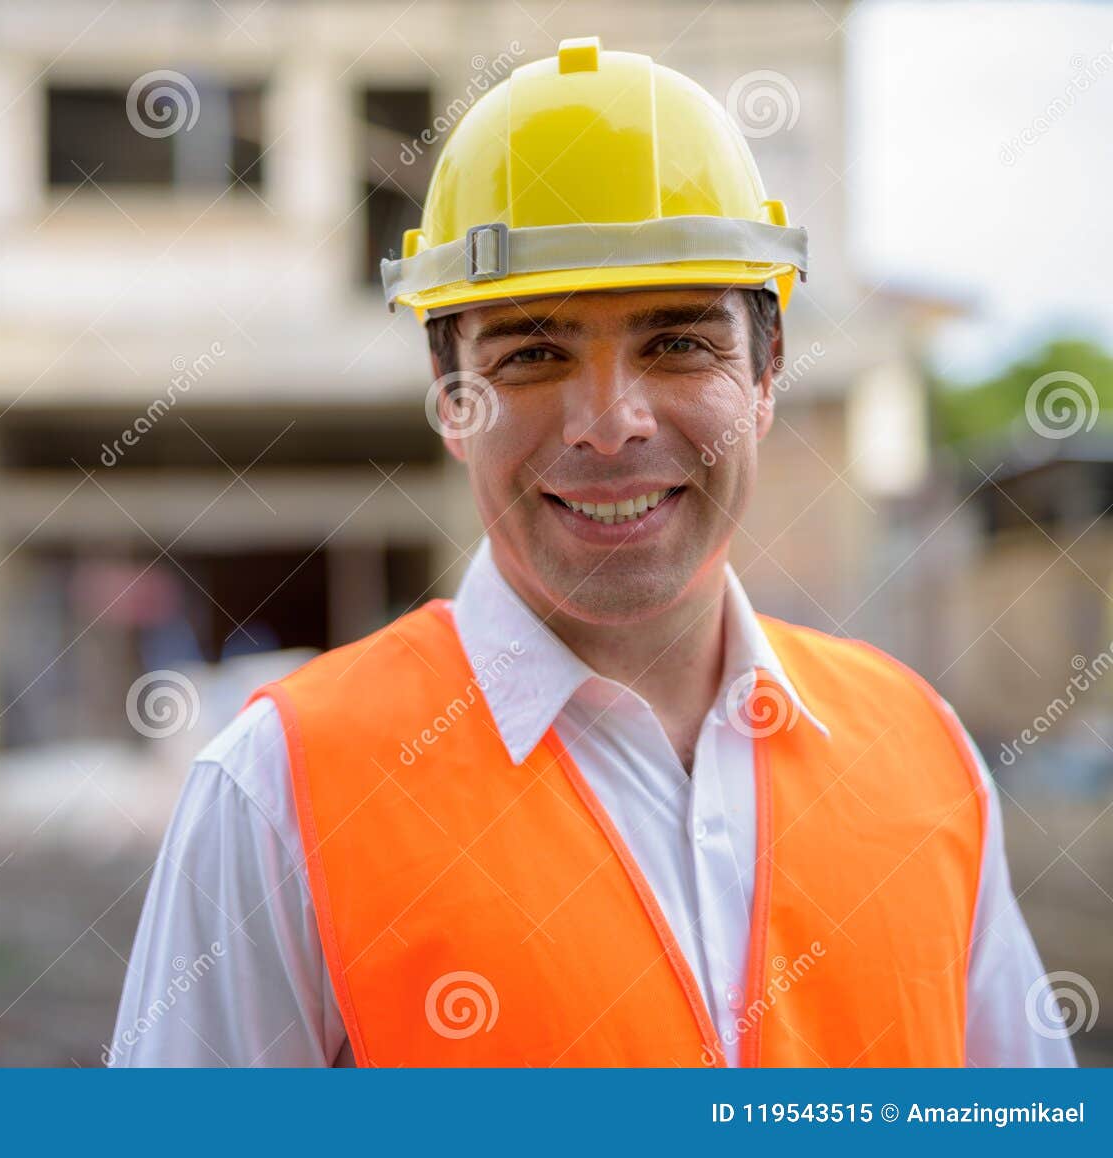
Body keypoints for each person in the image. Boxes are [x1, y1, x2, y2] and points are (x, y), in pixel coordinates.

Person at [110, 36, 1075, 1067]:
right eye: (532, 354)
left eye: (676, 342)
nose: (608, 424)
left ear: (765, 373)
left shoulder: (920, 753)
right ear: (450, 399)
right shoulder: (278, 794)